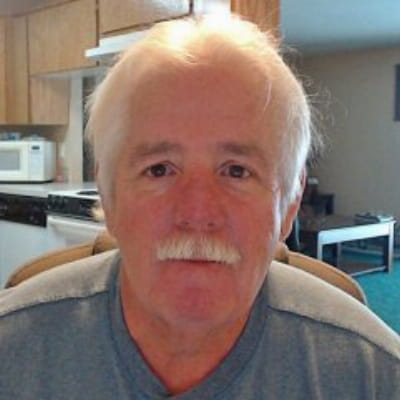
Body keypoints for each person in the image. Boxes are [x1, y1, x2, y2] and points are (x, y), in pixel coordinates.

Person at [0, 15, 399, 399]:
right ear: (108, 194)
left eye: (237, 171)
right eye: (159, 169)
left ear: (290, 203)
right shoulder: (11, 353)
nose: (197, 214)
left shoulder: (374, 376)